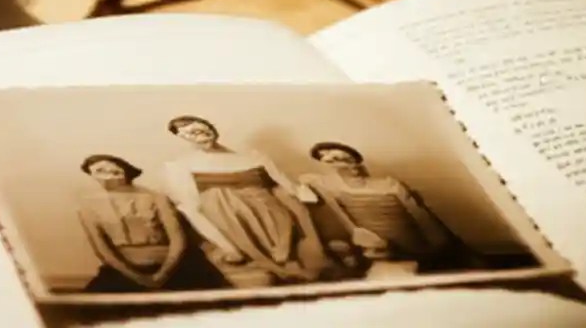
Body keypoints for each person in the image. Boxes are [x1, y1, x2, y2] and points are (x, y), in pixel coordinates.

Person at [161, 116, 329, 286]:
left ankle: (291, 259)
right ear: (182, 138)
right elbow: (191, 209)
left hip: (273, 219)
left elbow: (289, 186)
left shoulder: (253, 156)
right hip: (230, 226)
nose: (200, 135)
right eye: (191, 133)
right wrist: (226, 246)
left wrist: (308, 196)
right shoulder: (179, 165)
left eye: (204, 129)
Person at [301, 141, 474, 274]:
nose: (340, 164)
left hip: (412, 242)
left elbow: (419, 214)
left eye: (343, 159)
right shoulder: (328, 185)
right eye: (330, 160)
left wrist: (438, 242)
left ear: (355, 162)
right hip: (377, 244)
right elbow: (305, 184)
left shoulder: (388, 185)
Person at [76, 153, 223, 292]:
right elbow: (102, 250)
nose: (108, 173)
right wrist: (136, 277)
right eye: (100, 171)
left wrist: (163, 273)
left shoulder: (156, 197)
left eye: (113, 168)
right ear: (92, 175)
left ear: (125, 170)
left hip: (173, 265)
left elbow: (178, 239)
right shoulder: (88, 205)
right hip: (124, 269)